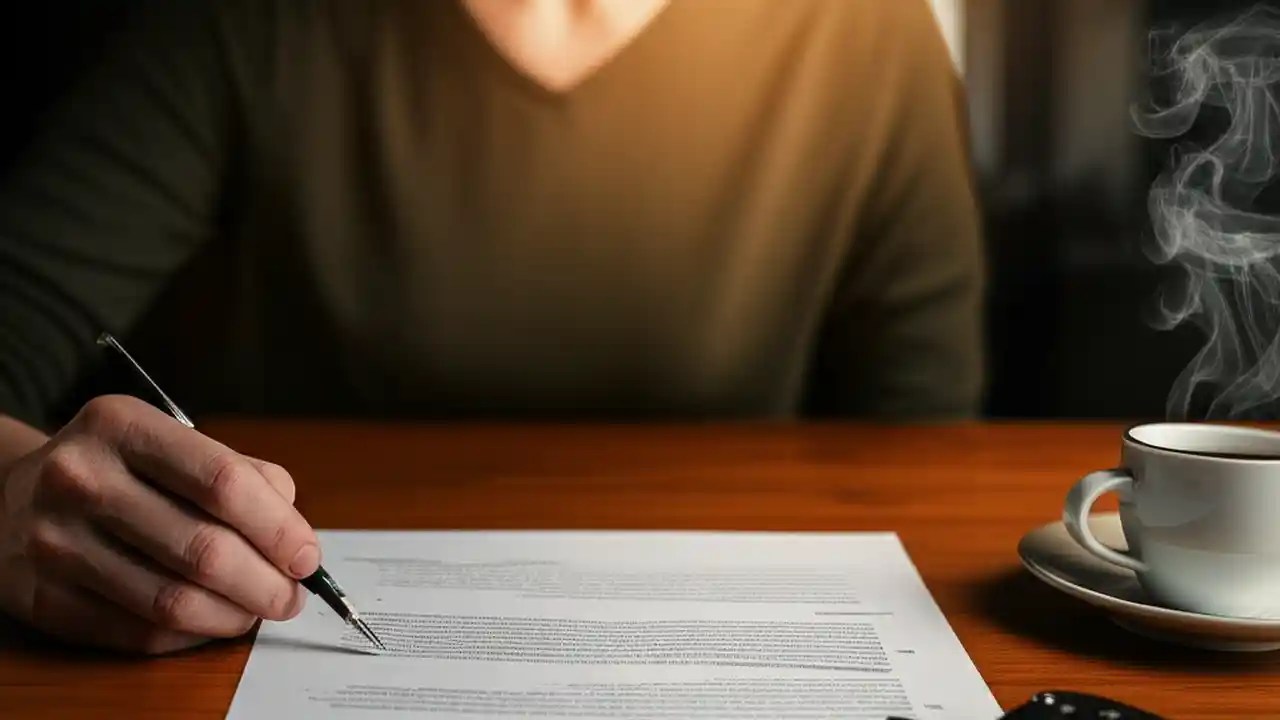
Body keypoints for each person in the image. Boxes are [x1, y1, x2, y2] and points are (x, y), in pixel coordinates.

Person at [0, 0, 983, 653]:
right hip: (241, 646)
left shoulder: (862, 33)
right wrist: (8, 496)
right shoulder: (246, 22)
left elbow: (919, 446)